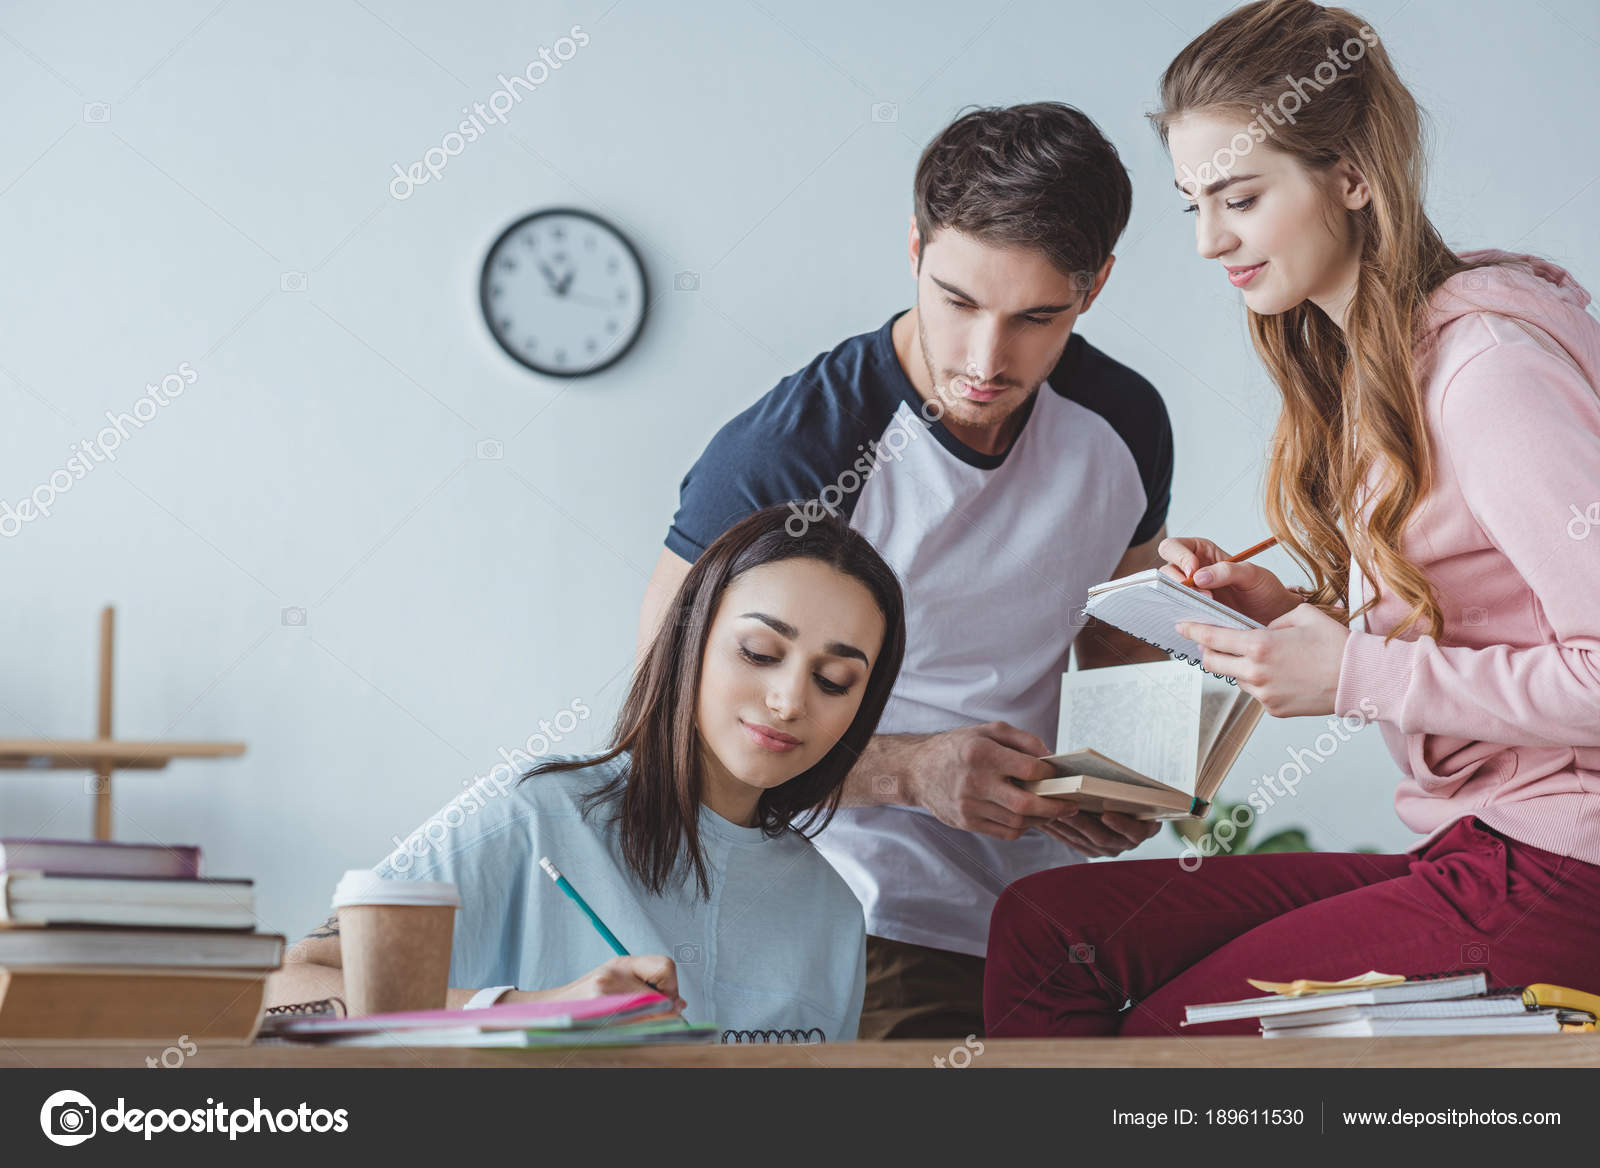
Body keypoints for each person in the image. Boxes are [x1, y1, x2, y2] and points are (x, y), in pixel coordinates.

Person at [984, 0, 1600, 1037]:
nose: (1209, 241)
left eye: (1239, 197)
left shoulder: (1485, 376)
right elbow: (1488, 617)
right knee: (1047, 926)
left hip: (1559, 870)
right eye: (1193, 206)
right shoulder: (1374, 369)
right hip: (1479, 845)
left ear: (1351, 176)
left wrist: (1355, 676)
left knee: (1164, 1050)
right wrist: (1289, 620)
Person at [637, 102, 1176, 1040]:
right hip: (853, 912)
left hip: (1054, 918)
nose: (984, 360)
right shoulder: (792, 452)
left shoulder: (1128, 423)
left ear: (1095, 289)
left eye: (1035, 318)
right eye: (958, 301)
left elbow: (1117, 630)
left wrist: (1134, 771)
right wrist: (907, 773)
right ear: (917, 251)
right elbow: (666, 709)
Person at [269, 505, 906, 1040]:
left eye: (834, 680)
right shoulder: (536, 817)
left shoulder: (834, 914)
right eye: (760, 652)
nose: (790, 700)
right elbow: (277, 995)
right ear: (690, 638)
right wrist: (532, 1012)